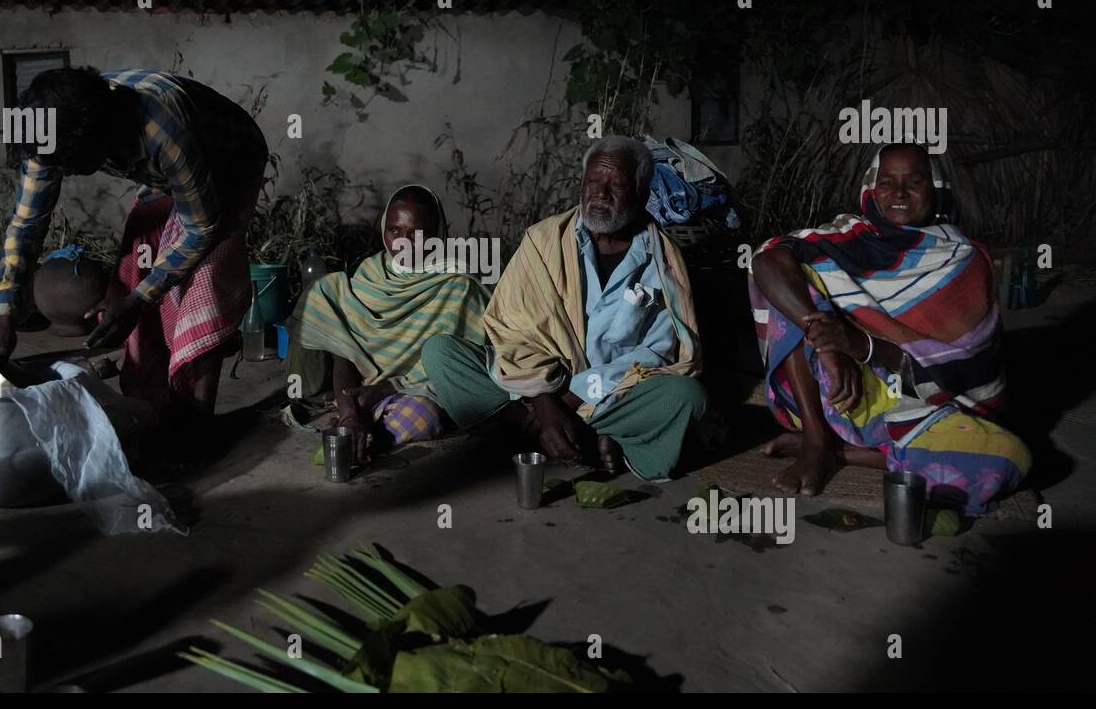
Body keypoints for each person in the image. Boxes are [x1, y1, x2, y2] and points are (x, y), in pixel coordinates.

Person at [749, 142, 1029, 513]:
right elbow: (769, 259)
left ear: (937, 188)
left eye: (914, 181)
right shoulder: (848, 237)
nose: (899, 193)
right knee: (789, 279)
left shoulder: (965, 260)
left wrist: (860, 344)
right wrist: (830, 344)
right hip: (843, 396)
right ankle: (817, 439)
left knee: (1007, 457)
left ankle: (845, 453)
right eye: (887, 183)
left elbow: (962, 374)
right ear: (870, 188)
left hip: (929, 408)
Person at [0, 67, 267, 422]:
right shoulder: (46, 131)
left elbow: (200, 228)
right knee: (137, 267)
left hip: (230, 163)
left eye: (69, 164)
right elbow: (26, 224)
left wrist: (137, 302)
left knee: (203, 282)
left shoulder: (162, 130)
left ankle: (196, 421)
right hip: (168, 176)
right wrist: (5, 311)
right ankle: (150, 405)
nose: (64, 173)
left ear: (99, 140)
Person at [420, 136, 707, 479]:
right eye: (592, 182)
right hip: (532, 390)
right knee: (440, 352)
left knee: (687, 396)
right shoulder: (542, 241)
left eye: (616, 184)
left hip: (610, 396)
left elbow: (657, 353)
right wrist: (544, 403)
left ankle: (545, 436)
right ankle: (579, 439)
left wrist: (570, 400)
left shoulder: (662, 263)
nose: (600, 194)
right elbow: (513, 330)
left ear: (642, 195)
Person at [291, 185, 491, 463]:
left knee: (422, 417)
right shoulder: (370, 274)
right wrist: (350, 411)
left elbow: (465, 367)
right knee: (325, 293)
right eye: (394, 230)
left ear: (437, 234)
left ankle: (363, 429)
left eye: (417, 234)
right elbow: (344, 356)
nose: (402, 244)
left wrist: (387, 388)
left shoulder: (457, 285)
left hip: (421, 390)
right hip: (364, 385)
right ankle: (353, 418)